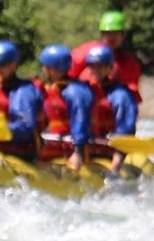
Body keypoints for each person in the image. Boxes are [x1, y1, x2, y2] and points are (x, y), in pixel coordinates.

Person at [33, 44, 96, 169]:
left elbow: (80, 121)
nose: (43, 69)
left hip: (70, 147)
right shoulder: (47, 87)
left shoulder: (74, 92)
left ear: (52, 68)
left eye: (45, 66)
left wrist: (77, 152)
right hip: (52, 143)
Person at [0, 40, 41, 155]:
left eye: (2, 65)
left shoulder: (24, 91)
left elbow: (25, 127)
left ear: (14, 65)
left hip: (20, 150)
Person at [82, 45, 138, 174]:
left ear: (110, 68)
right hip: (89, 147)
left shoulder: (121, 96)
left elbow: (126, 129)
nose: (96, 70)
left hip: (110, 150)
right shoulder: (84, 91)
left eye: (100, 66)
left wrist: (118, 158)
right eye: (92, 66)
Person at [69, 10, 143, 101]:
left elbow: (130, 96)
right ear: (102, 34)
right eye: (108, 33)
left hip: (110, 106)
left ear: (123, 35)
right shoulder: (85, 52)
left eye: (116, 33)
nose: (111, 38)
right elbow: (66, 79)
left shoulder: (129, 63)